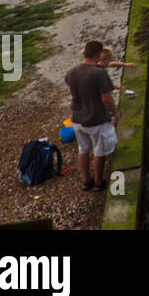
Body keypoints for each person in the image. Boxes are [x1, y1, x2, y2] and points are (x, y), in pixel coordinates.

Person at [63, 40, 118, 192]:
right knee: (99, 152)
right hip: (96, 120)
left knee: (83, 149)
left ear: (84, 53)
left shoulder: (72, 72)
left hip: (77, 119)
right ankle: (99, 183)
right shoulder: (99, 73)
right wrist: (115, 112)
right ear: (99, 54)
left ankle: (86, 181)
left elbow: (73, 90)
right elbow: (106, 99)